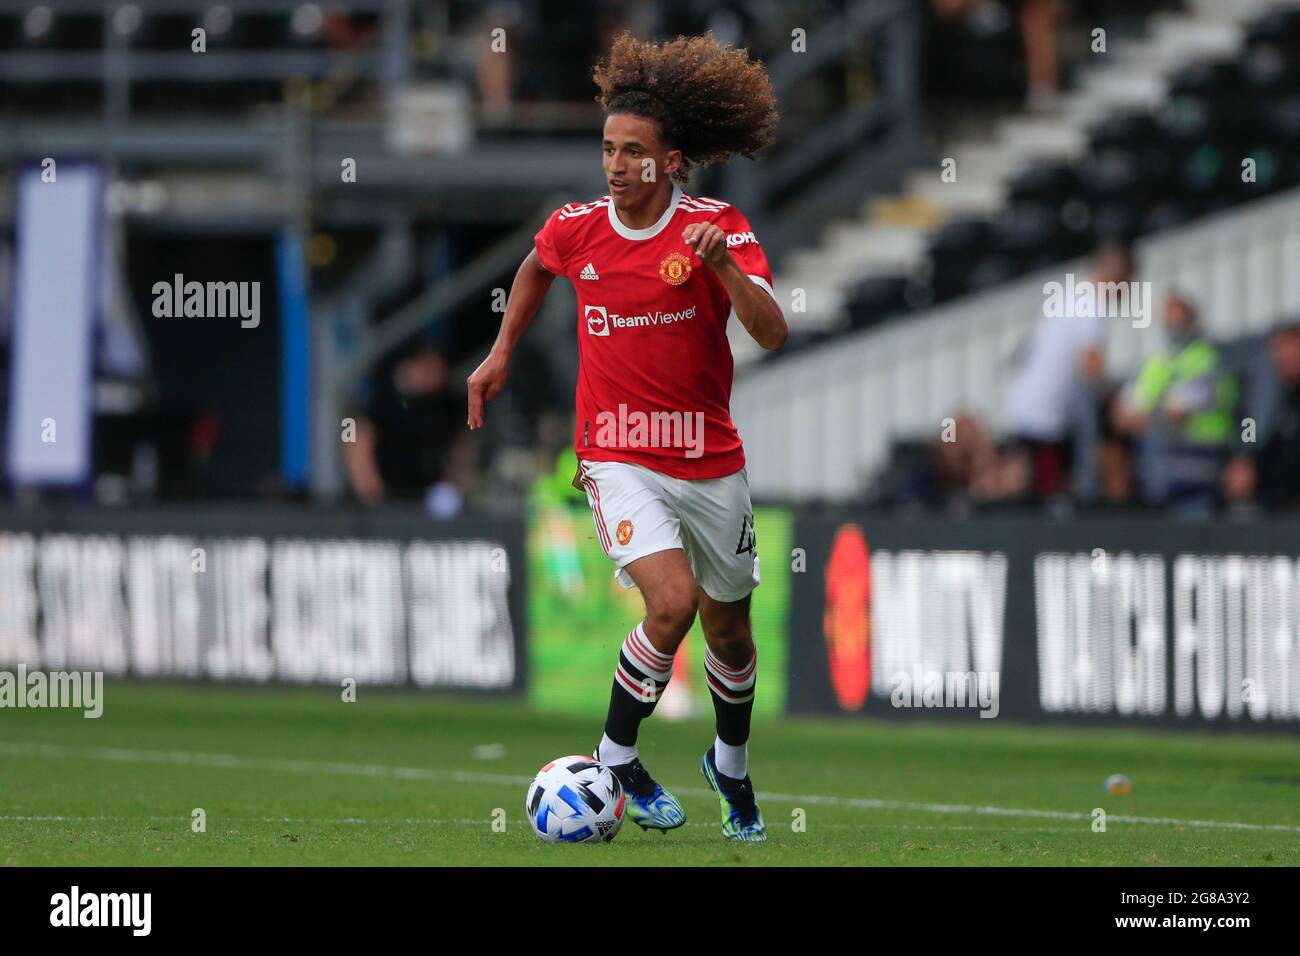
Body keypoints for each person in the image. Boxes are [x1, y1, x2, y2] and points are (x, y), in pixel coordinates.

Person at [466, 32, 785, 842]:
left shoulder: (716, 226)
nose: (615, 165)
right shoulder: (578, 228)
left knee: (730, 633)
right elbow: (537, 266)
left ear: (671, 161)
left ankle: (732, 769)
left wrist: (724, 272)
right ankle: (615, 763)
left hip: (709, 457)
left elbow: (773, 332)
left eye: (633, 152)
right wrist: (500, 352)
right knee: (670, 604)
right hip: (615, 452)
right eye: (608, 148)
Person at [1003, 242, 1131, 500]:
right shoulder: (1092, 305)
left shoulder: (1073, 294)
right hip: (1045, 417)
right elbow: (1091, 368)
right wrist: (1120, 401)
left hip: (1030, 408)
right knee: (1046, 500)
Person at [1113, 294, 1237, 509]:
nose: (1173, 326)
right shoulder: (1156, 362)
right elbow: (1123, 418)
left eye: (1179, 319)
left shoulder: (1206, 359)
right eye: (1169, 319)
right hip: (1155, 478)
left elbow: (1178, 414)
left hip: (1199, 473)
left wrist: (1147, 414)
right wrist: (1153, 413)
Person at [344, 341, 472, 514]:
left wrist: (454, 485)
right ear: (408, 367)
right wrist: (370, 493)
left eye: (439, 368)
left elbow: (464, 447)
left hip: (433, 501)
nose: (437, 375)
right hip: (386, 498)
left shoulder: (447, 404)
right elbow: (353, 439)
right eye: (428, 368)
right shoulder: (378, 401)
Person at [1223, 322, 1300, 509]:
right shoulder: (1260, 387)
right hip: (1270, 479)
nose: (1285, 356)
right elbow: (1248, 422)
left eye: (1292, 349)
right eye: (1279, 349)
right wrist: (1243, 458)